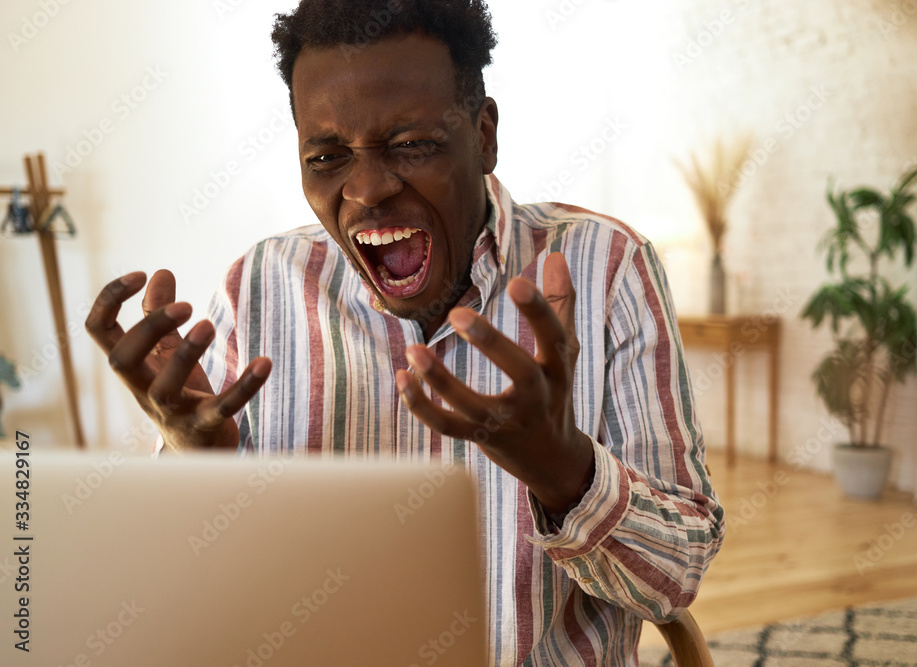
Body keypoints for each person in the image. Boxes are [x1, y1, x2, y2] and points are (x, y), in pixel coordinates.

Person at [85, 1, 724, 664]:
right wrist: (196, 461)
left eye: (411, 145)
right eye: (328, 155)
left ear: (484, 135)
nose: (365, 191)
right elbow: (201, 590)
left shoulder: (607, 268)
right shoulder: (259, 287)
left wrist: (564, 471)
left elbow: (675, 579)